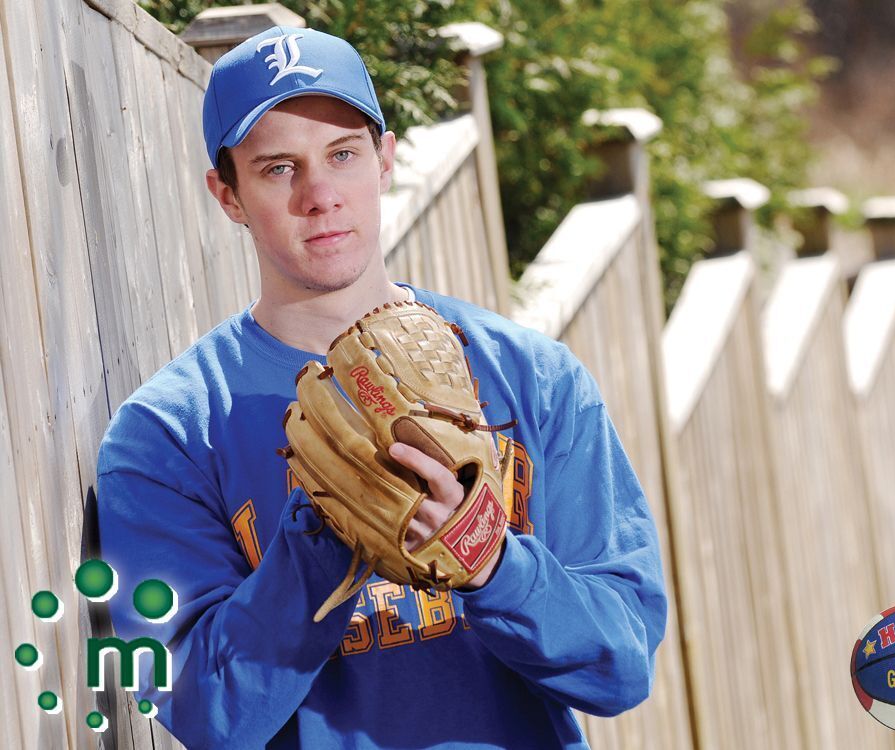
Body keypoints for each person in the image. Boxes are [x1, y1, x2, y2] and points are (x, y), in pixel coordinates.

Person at [97, 25, 667, 749]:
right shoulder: (170, 434)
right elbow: (208, 716)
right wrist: (324, 535)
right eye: (277, 169)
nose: (320, 195)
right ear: (228, 195)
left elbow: (618, 669)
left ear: (385, 159)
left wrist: (492, 562)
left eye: (342, 155)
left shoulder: (534, 377)